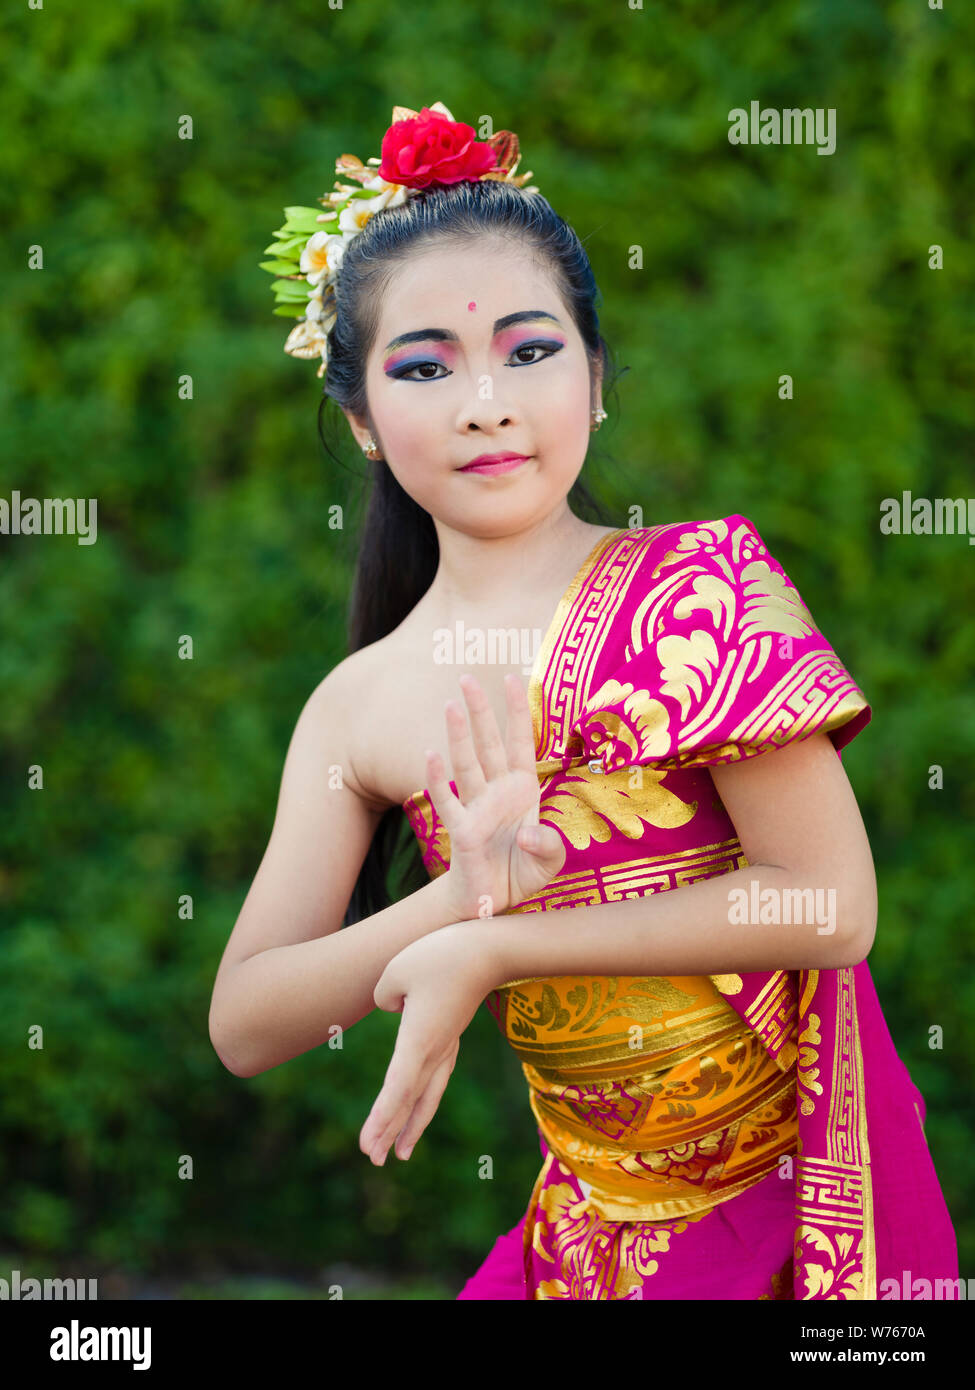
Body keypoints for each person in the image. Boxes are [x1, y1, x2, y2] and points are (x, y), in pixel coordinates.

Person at [209, 102, 959, 1300]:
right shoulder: (361, 705)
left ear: (597, 380)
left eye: (530, 349)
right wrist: (459, 893)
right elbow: (248, 1019)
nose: (486, 402)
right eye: (423, 367)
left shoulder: (699, 586)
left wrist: (496, 942)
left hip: (780, 1223)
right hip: (580, 1238)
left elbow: (831, 904)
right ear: (360, 420)